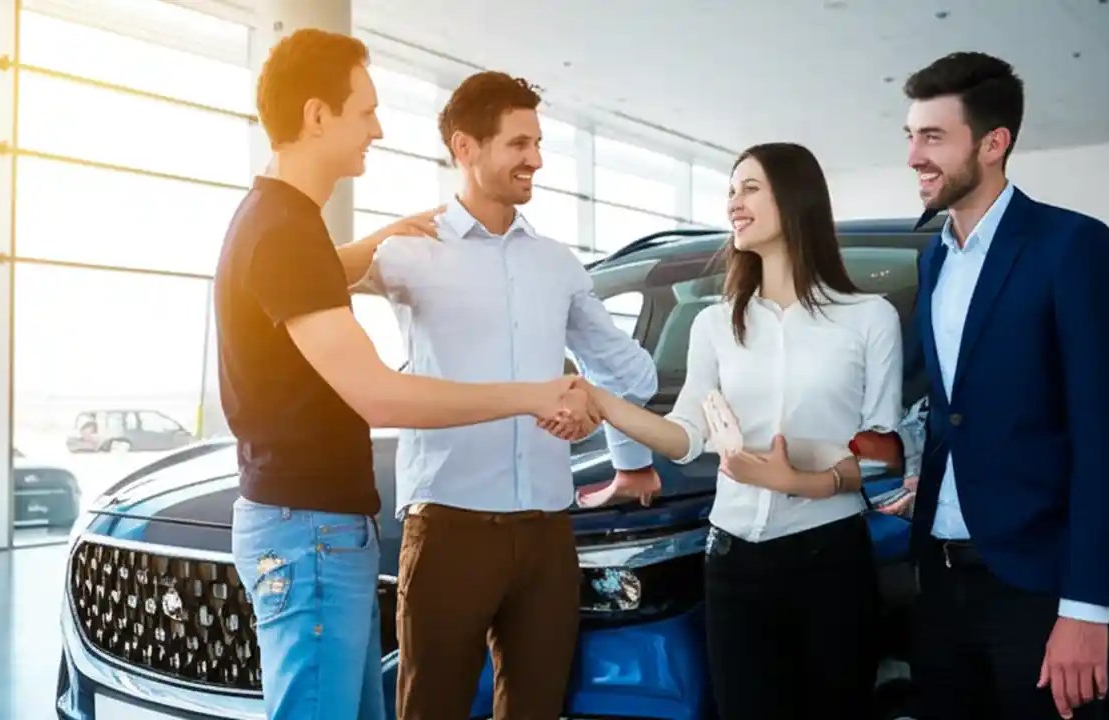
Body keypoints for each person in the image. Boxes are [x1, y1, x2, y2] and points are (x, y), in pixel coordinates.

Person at [212, 31, 595, 720]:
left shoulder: (281, 223)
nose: (378, 129)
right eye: (365, 112)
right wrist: (532, 396)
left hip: (320, 529)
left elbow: (302, 278)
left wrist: (381, 240)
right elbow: (380, 396)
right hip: (309, 534)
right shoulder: (284, 231)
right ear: (317, 116)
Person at [550, 142, 904, 719]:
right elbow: (687, 435)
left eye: (750, 188)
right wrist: (601, 401)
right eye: (730, 191)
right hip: (733, 560)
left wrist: (802, 481)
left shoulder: (869, 318)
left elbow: (883, 449)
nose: (734, 203)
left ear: (796, 198)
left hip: (829, 559)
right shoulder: (715, 323)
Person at [347, 70, 661, 720]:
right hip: (449, 527)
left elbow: (628, 372)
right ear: (465, 148)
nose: (536, 159)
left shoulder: (556, 263)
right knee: (430, 709)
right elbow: (297, 275)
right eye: (519, 143)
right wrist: (381, 237)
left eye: (538, 143)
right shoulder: (410, 252)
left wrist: (617, 437)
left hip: (547, 533)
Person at [900, 52, 1109, 720]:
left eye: (933, 137)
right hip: (939, 578)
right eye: (910, 136)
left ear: (993, 142)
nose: (914, 156)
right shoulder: (935, 257)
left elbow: (1104, 438)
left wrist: (1085, 608)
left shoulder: (1072, 245)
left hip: (1036, 584)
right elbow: (956, 409)